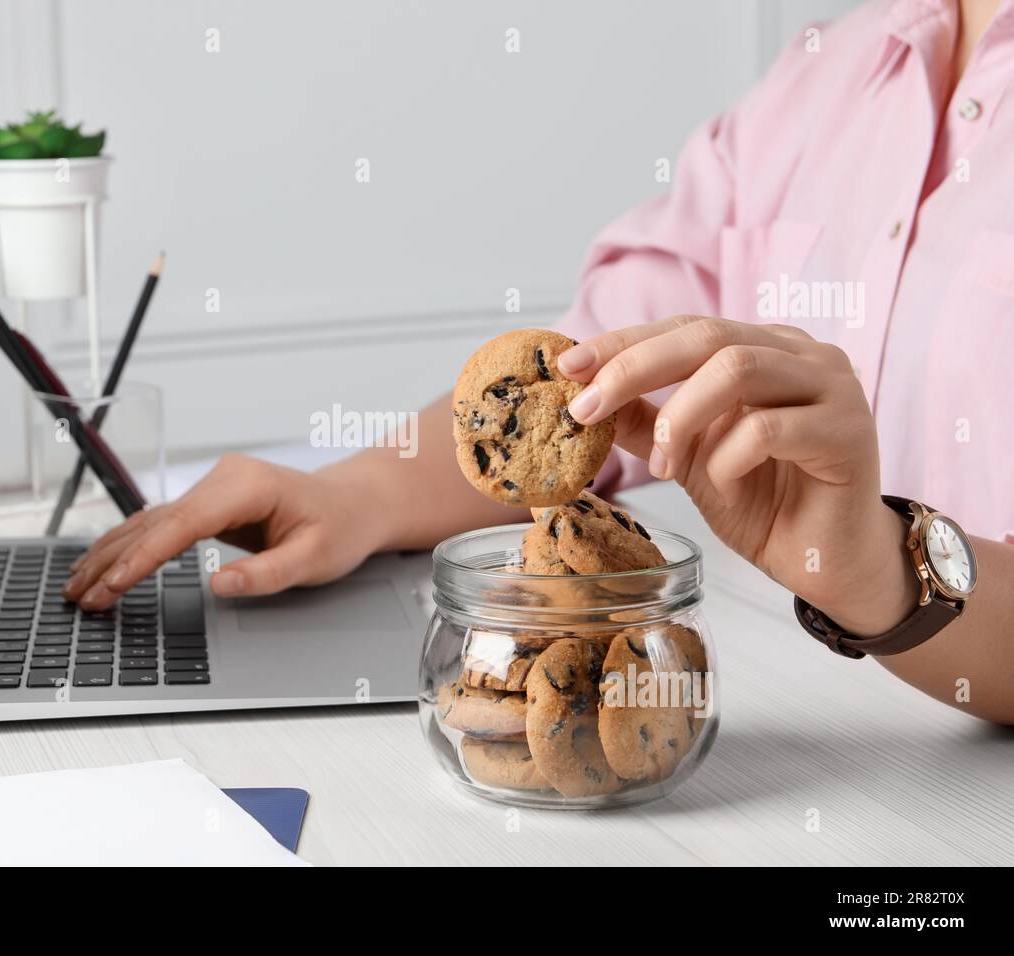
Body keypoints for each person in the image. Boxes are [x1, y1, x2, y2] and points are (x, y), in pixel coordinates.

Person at [65, 0, 1014, 724]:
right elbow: (572, 389)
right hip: (779, 730)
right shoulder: (820, 79)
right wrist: (351, 497)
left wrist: (886, 575)